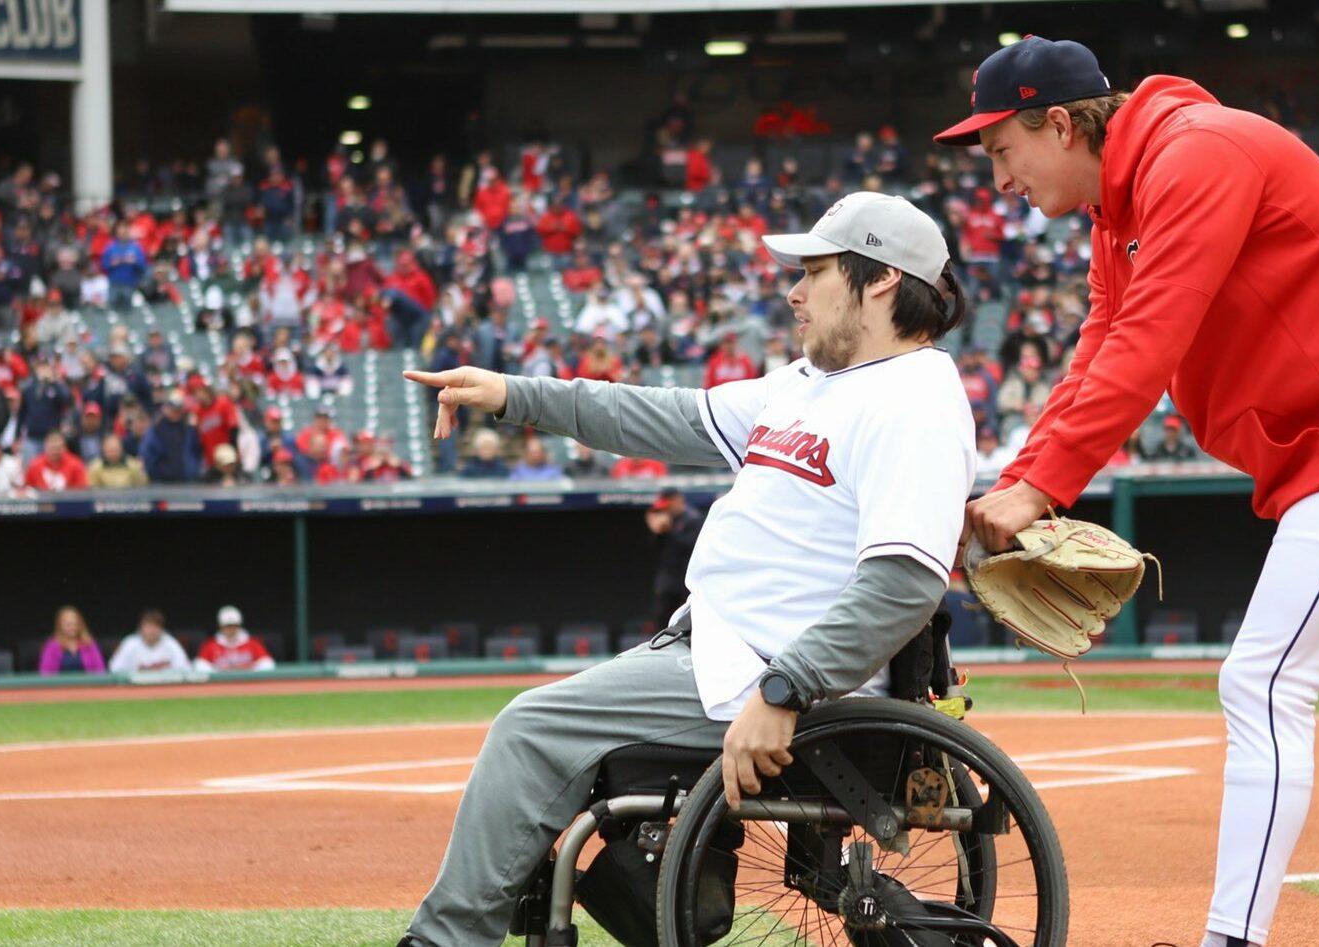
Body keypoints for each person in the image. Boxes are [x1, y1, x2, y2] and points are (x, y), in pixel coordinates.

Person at [936, 38, 1319, 947]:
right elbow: (1098, 352)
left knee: (1262, 683)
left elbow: (1147, 344)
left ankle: (1229, 940)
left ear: (1057, 123)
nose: (998, 177)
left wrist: (1043, 487)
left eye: (1002, 149)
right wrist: (1019, 481)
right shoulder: (1117, 207)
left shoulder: (1196, 153)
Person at [395, 190, 973, 946]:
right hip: (711, 654)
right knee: (548, 736)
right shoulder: (805, 383)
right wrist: (511, 394)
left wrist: (783, 688)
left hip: (768, 675)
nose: (794, 293)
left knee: (530, 731)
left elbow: (902, 586)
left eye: (815, 272)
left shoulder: (916, 400)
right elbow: (655, 415)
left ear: (884, 279)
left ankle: (443, 940)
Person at [644, 487, 703, 626]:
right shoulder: (668, 519)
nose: (667, 510)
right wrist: (657, 531)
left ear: (677, 501)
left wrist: (669, 530)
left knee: (687, 621)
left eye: (668, 505)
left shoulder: (693, 518)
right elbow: (654, 548)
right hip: (668, 578)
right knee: (662, 616)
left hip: (687, 579)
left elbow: (691, 546)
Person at [108, 610, 192, 674]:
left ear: (161, 629)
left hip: (165, 687)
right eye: (148, 626)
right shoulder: (130, 643)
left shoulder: (170, 643)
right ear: (141, 628)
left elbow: (185, 669)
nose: (152, 631)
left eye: (155, 627)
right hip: (135, 688)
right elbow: (114, 669)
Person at [195, 606, 276, 672]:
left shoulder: (252, 643)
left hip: (247, 683)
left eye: (234, 625)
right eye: (227, 626)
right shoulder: (211, 645)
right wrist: (218, 671)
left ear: (239, 625)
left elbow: (268, 664)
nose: (231, 629)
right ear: (221, 626)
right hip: (220, 684)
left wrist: (251, 670)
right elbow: (199, 666)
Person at [38, 605, 105, 675]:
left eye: (74, 623)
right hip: (60, 685)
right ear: (59, 625)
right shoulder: (51, 646)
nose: (71, 627)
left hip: (88, 685)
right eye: (67, 624)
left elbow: (100, 670)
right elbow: (45, 673)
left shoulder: (89, 644)